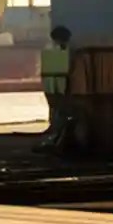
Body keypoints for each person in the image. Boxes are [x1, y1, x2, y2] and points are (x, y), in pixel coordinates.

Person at [34, 26, 74, 155]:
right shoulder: (68, 52)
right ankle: (57, 134)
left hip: (52, 84)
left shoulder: (49, 51)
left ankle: (55, 133)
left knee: (57, 109)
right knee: (60, 110)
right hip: (62, 84)